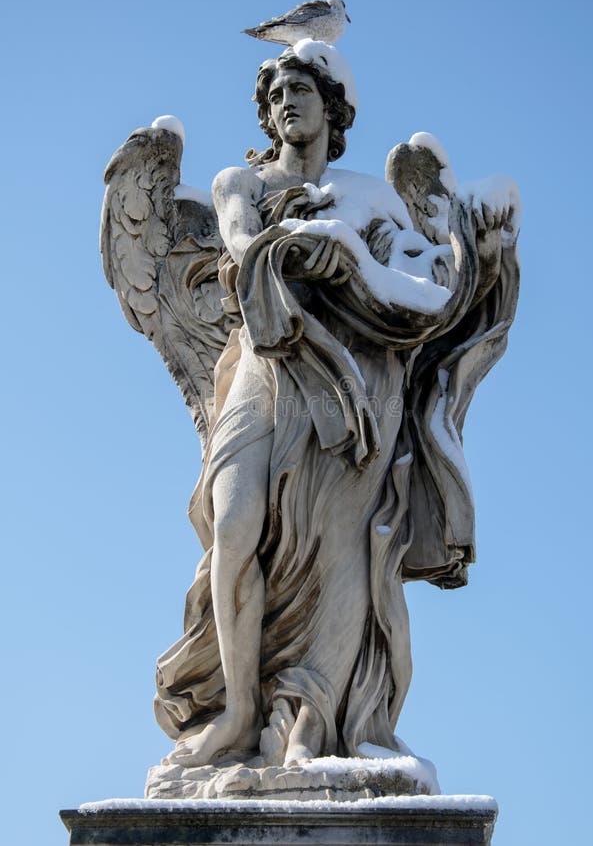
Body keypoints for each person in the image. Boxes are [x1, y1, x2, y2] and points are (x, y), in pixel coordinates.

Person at [154, 43, 491, 769]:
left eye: (301, 89)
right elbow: (243, 242)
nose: (287, 103)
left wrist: (356, 260)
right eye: (276, 94)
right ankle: (239, 712)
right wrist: (302, 243)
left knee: (344, 549)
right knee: (233, 526)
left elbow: (419, 296)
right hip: (267, 365)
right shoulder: (241, 181)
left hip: (356, 390)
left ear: (333, 107)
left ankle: (307, 711)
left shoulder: (373, 199)